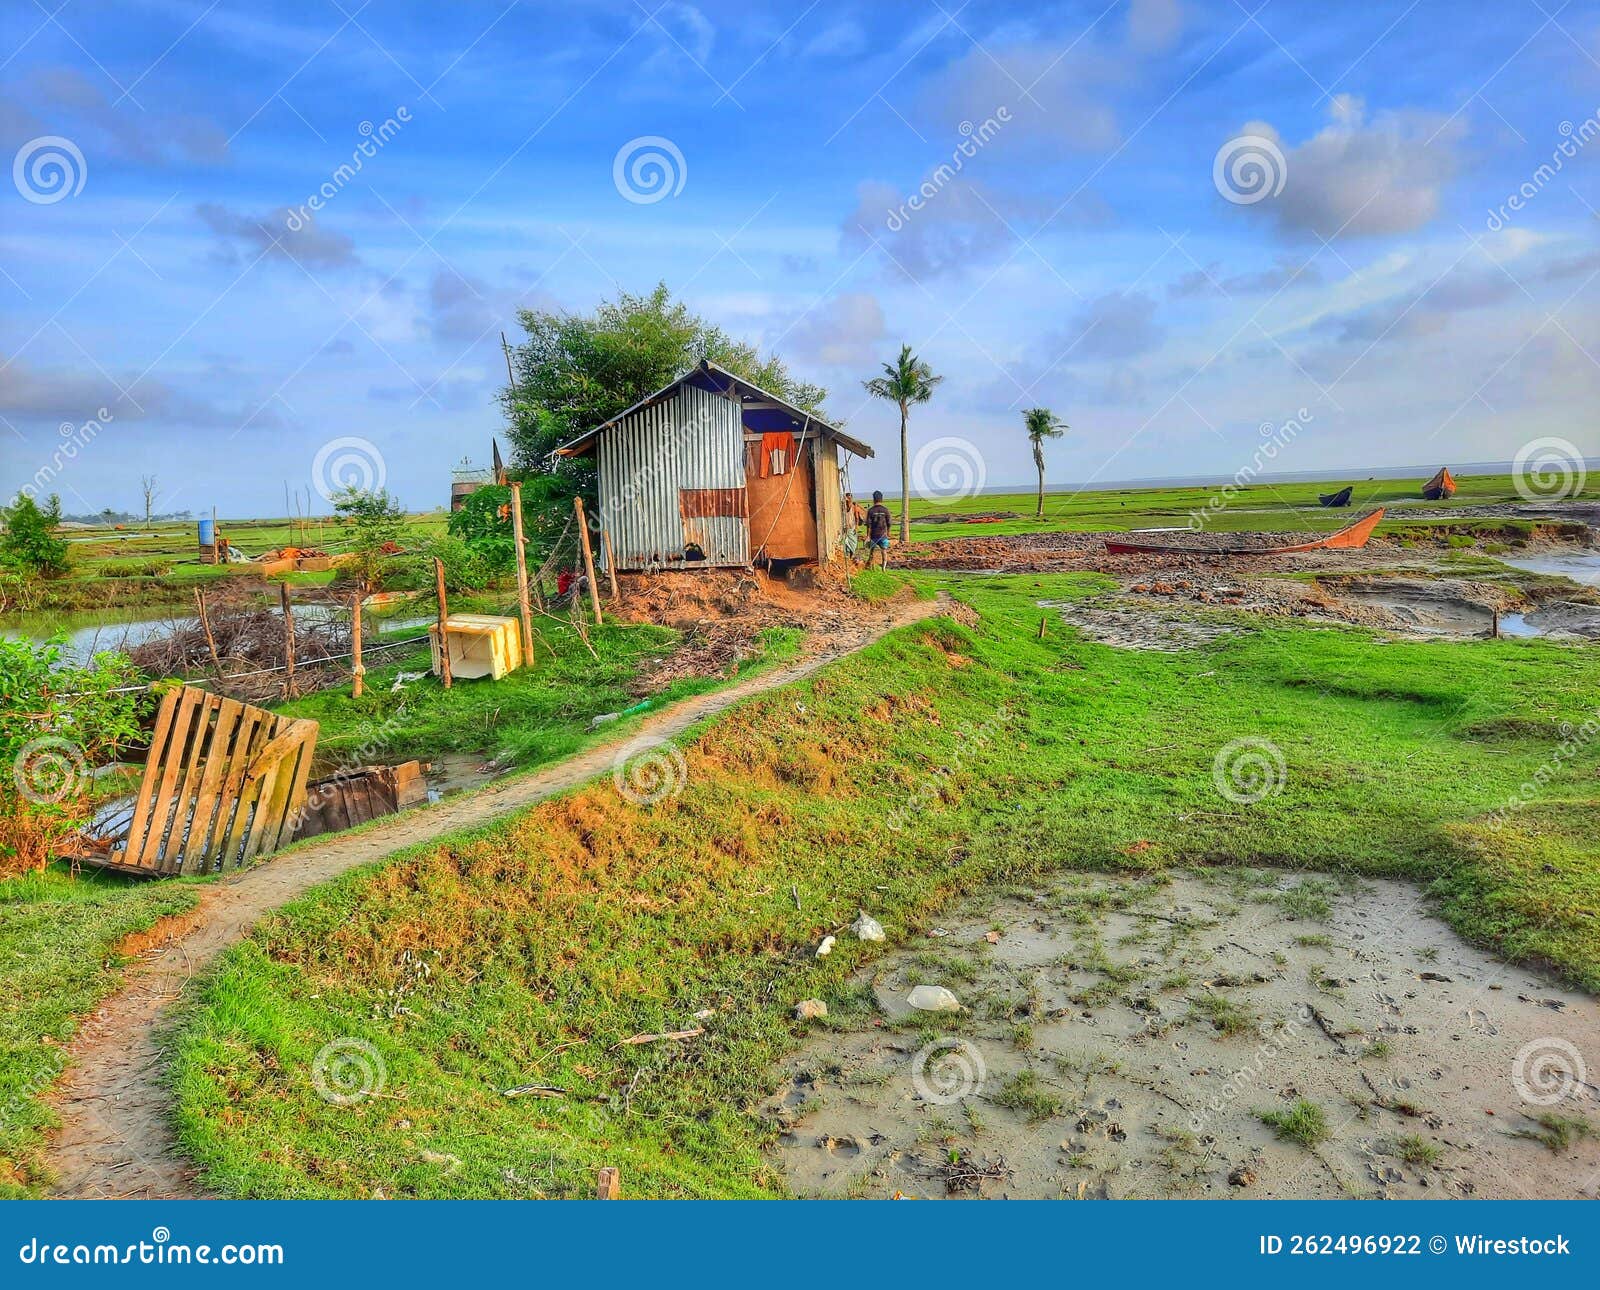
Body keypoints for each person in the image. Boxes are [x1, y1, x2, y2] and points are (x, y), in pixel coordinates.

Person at [864, 490, 892, 568]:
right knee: (884, 551)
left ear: (873, 499)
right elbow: (889, 523)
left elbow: (868, 525)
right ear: (882, 499)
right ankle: (883, 568)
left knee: (872, 551)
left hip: (874, 535)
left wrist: (868, 536)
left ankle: (871, 567)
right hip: (883, 535)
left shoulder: (871, 510)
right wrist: (888, 533)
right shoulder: (885, 510)